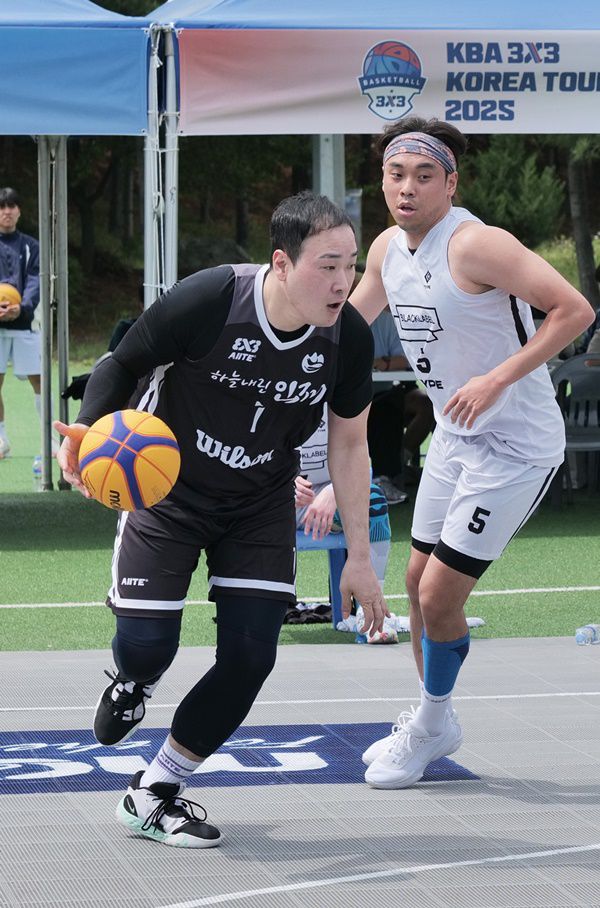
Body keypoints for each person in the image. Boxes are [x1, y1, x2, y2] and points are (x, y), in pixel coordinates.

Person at [55, 191, 388, 846]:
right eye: (327, 265)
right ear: (283, 264)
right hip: (167, 492)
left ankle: (155, 791)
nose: (342, 281)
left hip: (260, 502)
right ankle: (132, 679)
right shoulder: (213, 299)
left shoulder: (345, 336)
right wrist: (86, 435)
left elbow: (350, 443)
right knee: (151, 647)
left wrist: (359, 555)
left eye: (350, 265)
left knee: (250, 656)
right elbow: (122, 362)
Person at [350, 117, 594, 790]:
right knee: (414, 587)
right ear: (383, 181)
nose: (408, 188)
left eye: (425, 176)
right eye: (397, 174)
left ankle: (432, 723)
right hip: (457, 438)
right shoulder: (386, 251)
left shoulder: (478, 245)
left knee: (438, 592)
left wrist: (496, 378)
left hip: (515, 444)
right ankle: (434, 722)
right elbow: (346, 327)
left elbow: (573, 310)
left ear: (450, 183)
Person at [295, 405, 392, 627]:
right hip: (270, 496)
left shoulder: (343, 394)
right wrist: (282, 483)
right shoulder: (276, 390)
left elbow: (361, 459)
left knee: (374, 501)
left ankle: (371, 614)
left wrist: (334, 491)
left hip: (328, 493)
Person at [368, 308, 434, 501]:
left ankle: (399, 464)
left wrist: (383, 363)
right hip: (352, 397)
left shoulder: (386, 320)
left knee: (427, 403)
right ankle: (387, 473)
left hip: (388, 390)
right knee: (382, 408)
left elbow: (405, 359)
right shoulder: (332, 318)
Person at [0, 187, 41, 460]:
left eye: (12, 207)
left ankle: (50, 439)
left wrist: (22, 308)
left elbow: (36, 279)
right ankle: (1, 439)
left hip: (25, 324)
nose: (7, 212)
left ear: (19, 211)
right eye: (2, 207)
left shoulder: (30, 245)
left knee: (40, 381)